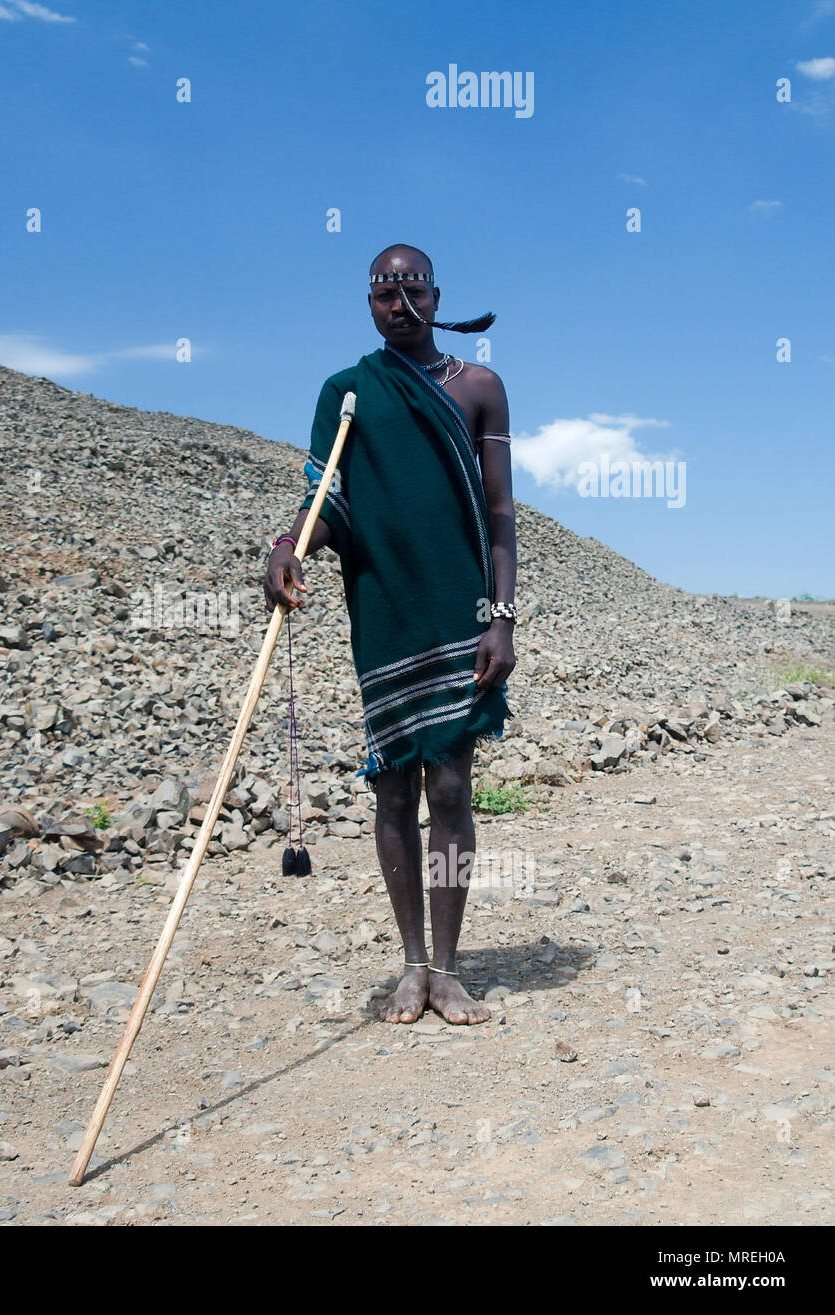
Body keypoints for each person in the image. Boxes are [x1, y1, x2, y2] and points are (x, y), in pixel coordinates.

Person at [262, 243, 518, 1025]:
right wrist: (289, 546)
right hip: (384, 609)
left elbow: (501, 515)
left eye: (413, 291)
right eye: (384, 293)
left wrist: (502, 617)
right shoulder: (346, 393)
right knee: (395, 786)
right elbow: (328, 500)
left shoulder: (479, 387)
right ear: (368, 303)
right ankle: (411, 964)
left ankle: (448, 968)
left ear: (437, 297)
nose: (400, 305)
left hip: (460, 611)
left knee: (452, 787)